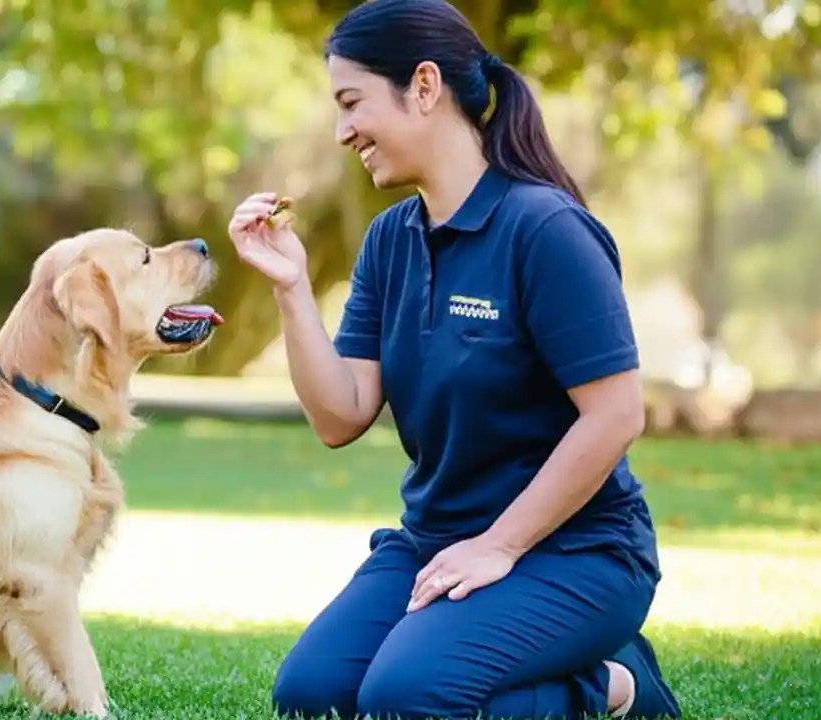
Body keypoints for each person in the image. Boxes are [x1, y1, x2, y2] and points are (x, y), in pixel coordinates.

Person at [225, 1, 684, 719]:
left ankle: (620, 686)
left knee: (409, 696)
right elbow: (340, 415)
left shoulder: (546, 229)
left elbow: (618, 413)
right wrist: (291, 289)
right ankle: (582, 674)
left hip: (577, 551)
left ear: (425, 86)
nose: (343, 131)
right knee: (310, 697)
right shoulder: (389, 241)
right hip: (436, 541)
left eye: (352, 102)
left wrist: (498, 547)